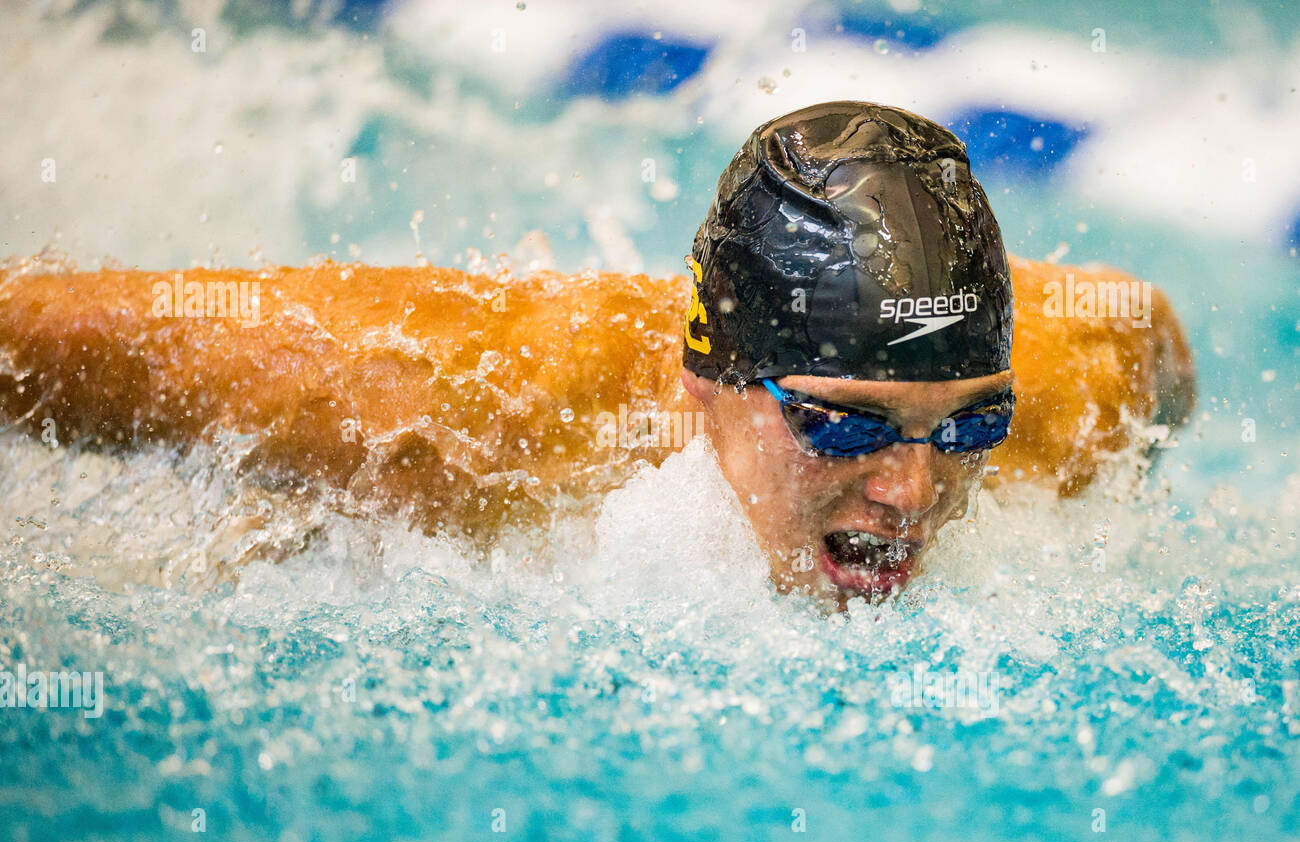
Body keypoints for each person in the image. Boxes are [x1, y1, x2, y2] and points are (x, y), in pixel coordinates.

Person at [0, 101, 1194, 602]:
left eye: (967, 424)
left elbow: (1149, 337)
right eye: (843, 420)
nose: (912, 491)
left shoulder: (1072, 392)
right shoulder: (453, 408)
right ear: (708, 377)